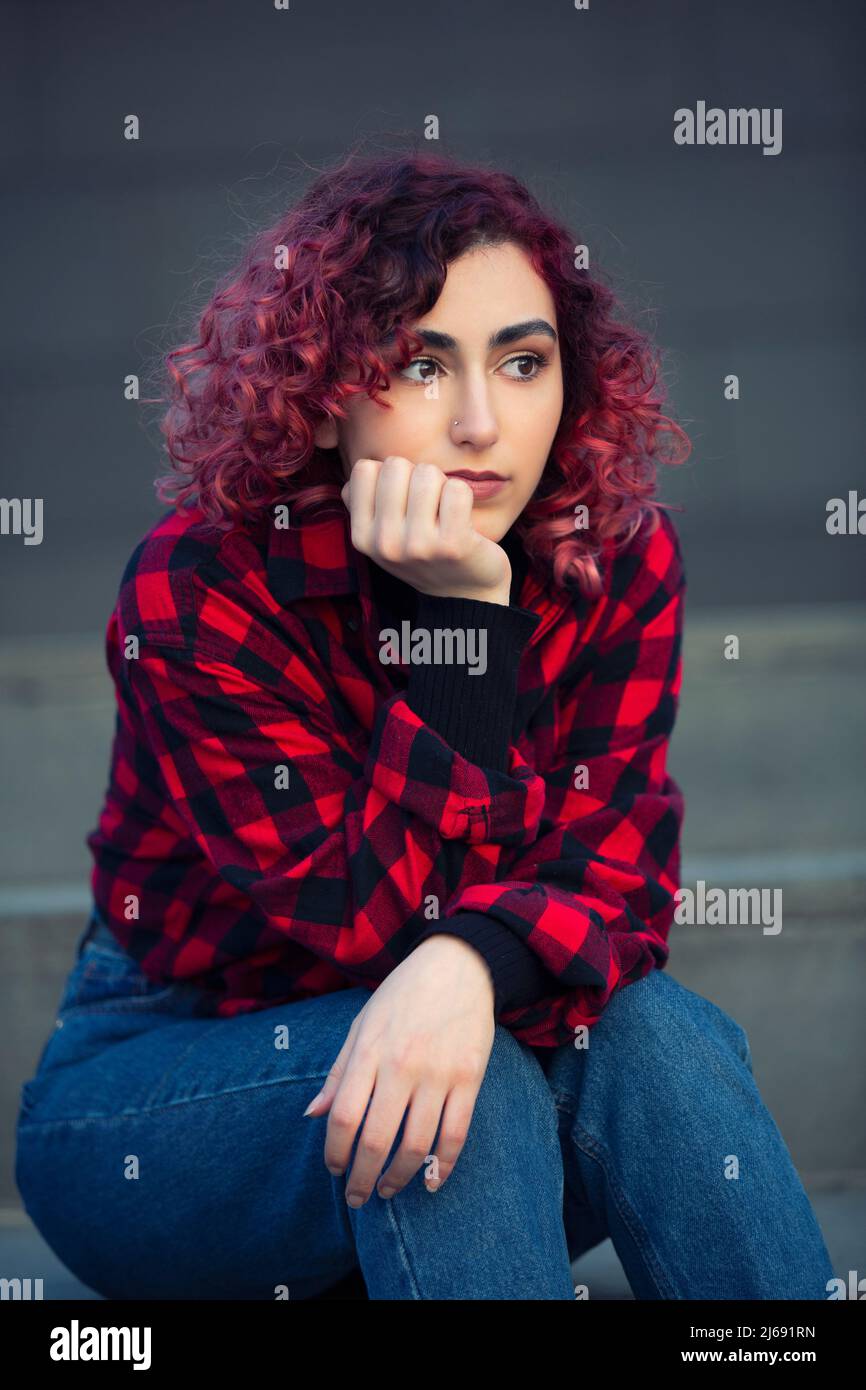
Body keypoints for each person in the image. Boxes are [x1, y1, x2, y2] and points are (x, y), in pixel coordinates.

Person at [15, 149, 834, 1300]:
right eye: (418, 362)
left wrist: (469, 960)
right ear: (324, 385)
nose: (480, 421)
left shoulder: (613, 554)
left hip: (465, 1079)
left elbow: (622, 881)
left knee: (660, 1037)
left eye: (521, 360)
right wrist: (463, 625)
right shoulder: (201, 588)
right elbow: (357, 921)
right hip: (174, 1090)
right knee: (474, 1080)